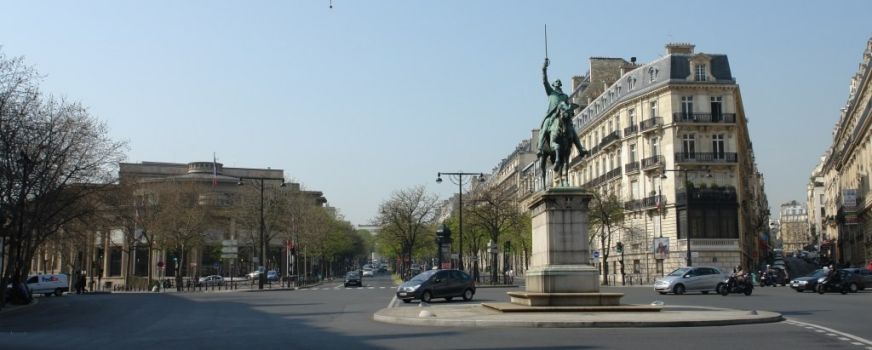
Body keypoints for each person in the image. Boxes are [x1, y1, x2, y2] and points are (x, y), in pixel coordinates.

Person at [538, 58, 586, 171]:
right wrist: (544, 69)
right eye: (556, 84)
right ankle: (540, 148)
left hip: (563, 117)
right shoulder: (551, 92)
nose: (558, 85)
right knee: (544, 128)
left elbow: (568, 107)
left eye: (559, 84)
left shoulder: (564, 96)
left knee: (572, 131)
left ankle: (580, 149)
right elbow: (544, 81)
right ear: (554, 85)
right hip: (551, 116)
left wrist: (570, 112)